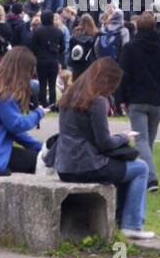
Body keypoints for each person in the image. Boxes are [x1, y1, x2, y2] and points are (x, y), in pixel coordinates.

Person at [55, 58, 154, 239]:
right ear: (107, 81)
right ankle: (132, 224)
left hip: (65, 166)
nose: (114, 90)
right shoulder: (97, 101)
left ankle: (120, 220)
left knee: (125, 170)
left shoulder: (69, 96)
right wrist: (124, 137)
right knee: (141, 168)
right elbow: (104, 143)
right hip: (87, 165)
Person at [119, 12, 160, 191]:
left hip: (137, 99)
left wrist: (121, 98)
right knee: (148, 141)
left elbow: (123, 75)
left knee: (142, 141)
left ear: (137, 27)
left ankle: (150, 178)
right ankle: (144, 176)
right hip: (156, 99)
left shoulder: (130, 48)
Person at [28, 10, 65, 108]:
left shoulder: (37, 32)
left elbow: (32, 47)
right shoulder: (58, 32)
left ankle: (43, 103)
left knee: (42, 83)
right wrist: (57, 53)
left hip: (41, 60)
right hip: (53, 60)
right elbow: (63, 48)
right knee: (52, 83)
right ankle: (52, 104)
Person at [68, 14, 99, 79]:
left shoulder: (75, 34)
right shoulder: (95, 35)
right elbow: (96, 51)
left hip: (76, 63)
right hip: (89, 63)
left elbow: (70, 48)